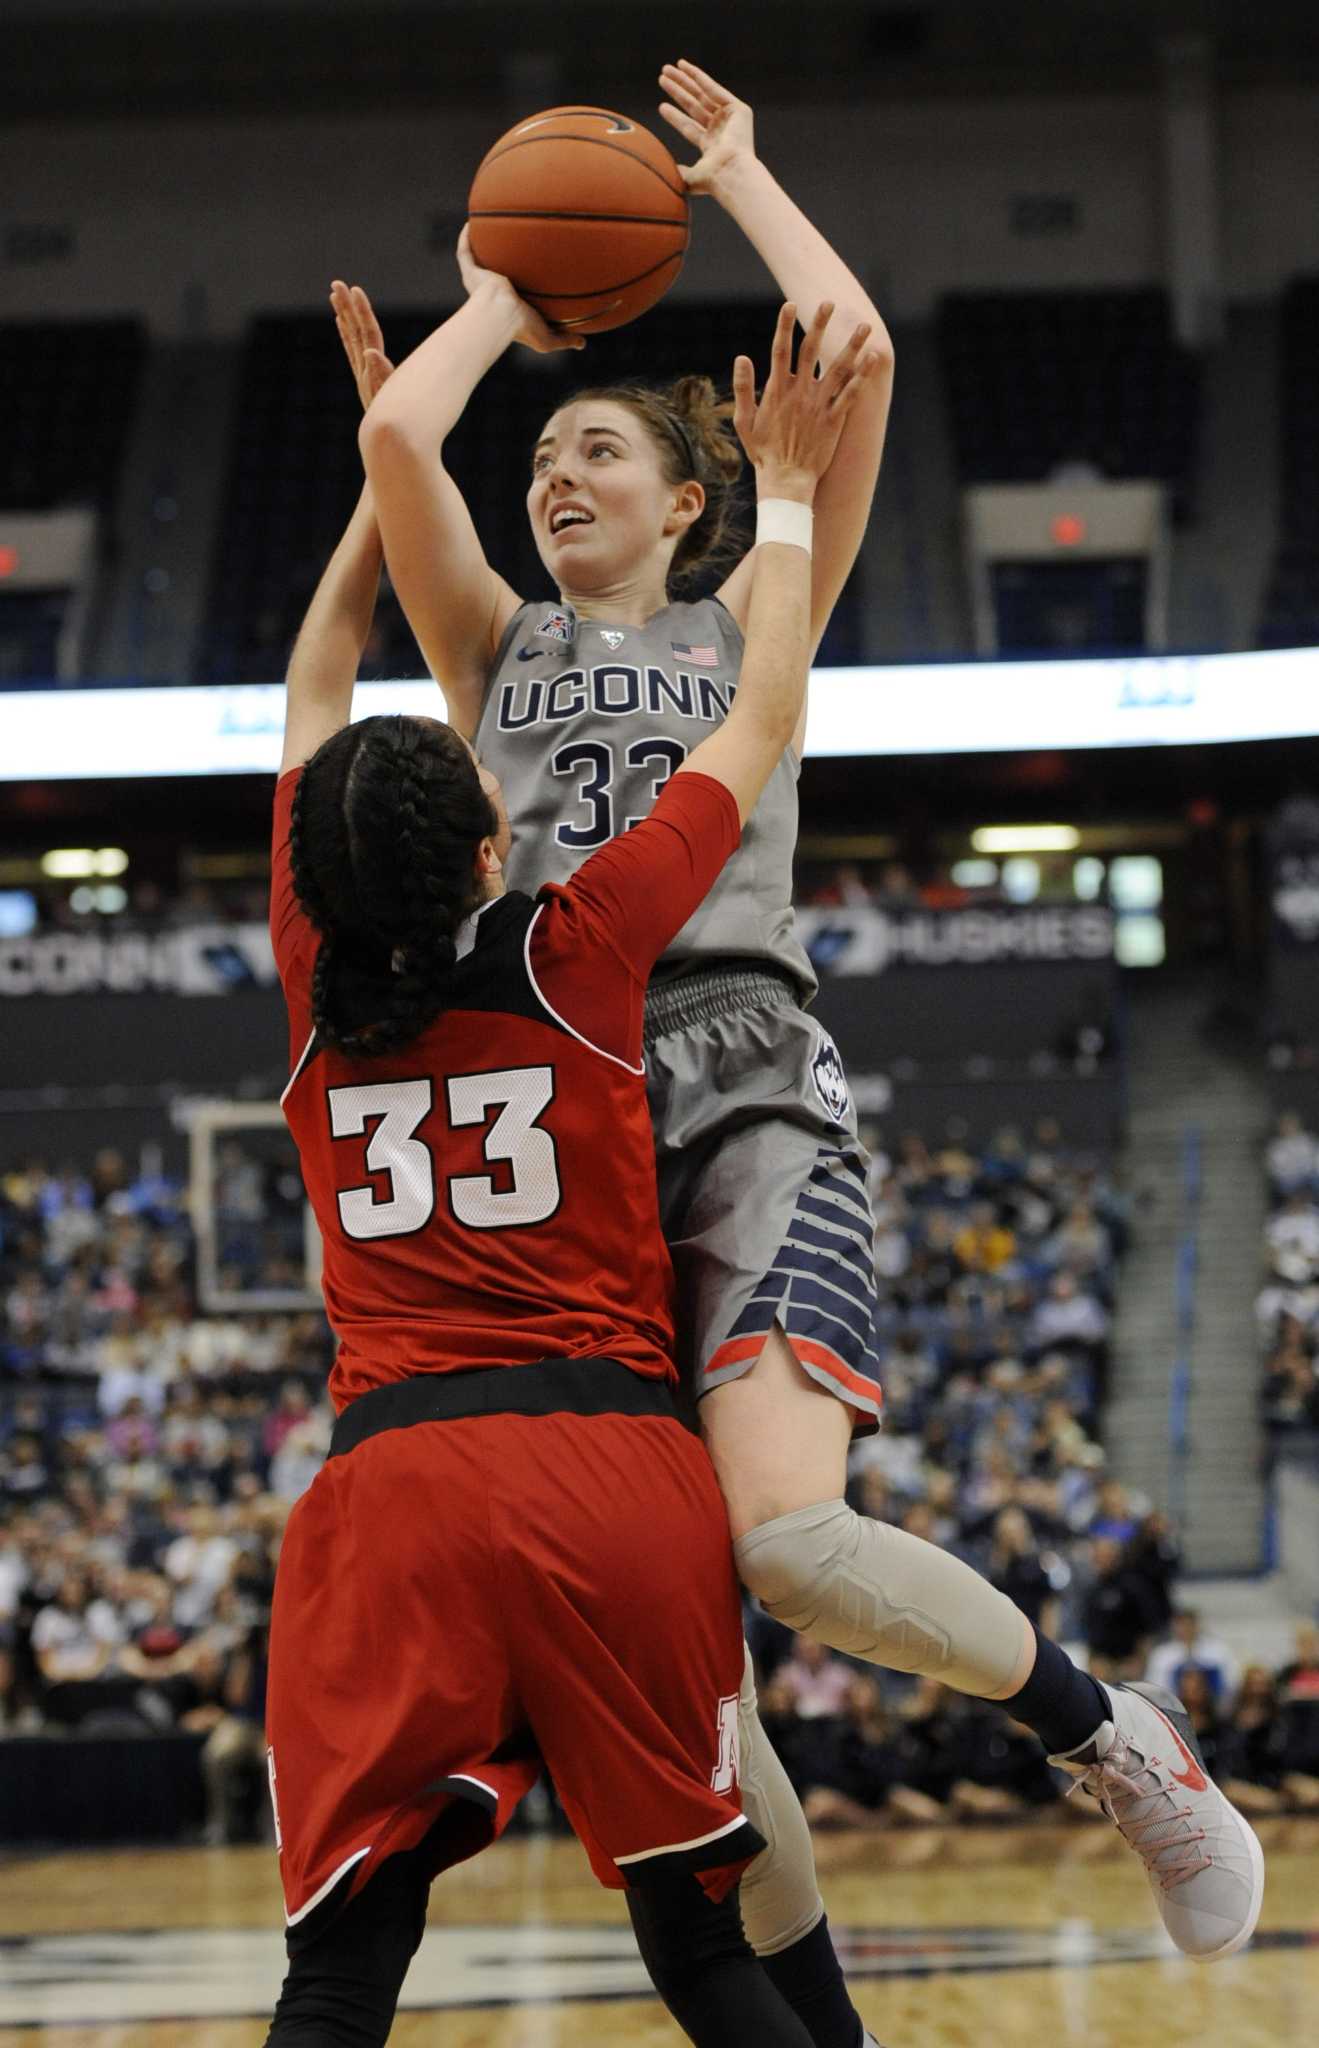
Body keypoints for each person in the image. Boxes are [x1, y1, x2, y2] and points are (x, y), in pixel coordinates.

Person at [348, 58, 1264, 1972]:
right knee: (682, 1652)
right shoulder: (495, 647)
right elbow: (402, 456)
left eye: (596, 453)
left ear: (690, 500)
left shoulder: (751, 612)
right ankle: (809, 2015)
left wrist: (746, 181)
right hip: (565, 1116)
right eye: (547, 461)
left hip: (748, 1080)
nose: (553, 475)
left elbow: (851, 353)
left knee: (781, 1548)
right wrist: (502, 301)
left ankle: (1121, 1746)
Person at [263, 301, 882, 2048]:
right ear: (491, 846)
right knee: (698, 1947)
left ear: (305, 878)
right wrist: (785, 520)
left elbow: (318, 692)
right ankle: (1084, 1723)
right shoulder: (578, 953)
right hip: (610, 1471)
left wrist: (393, 484)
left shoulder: (314, 995)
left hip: (392, 1487)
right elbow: (756, 720)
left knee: (337, 1973)